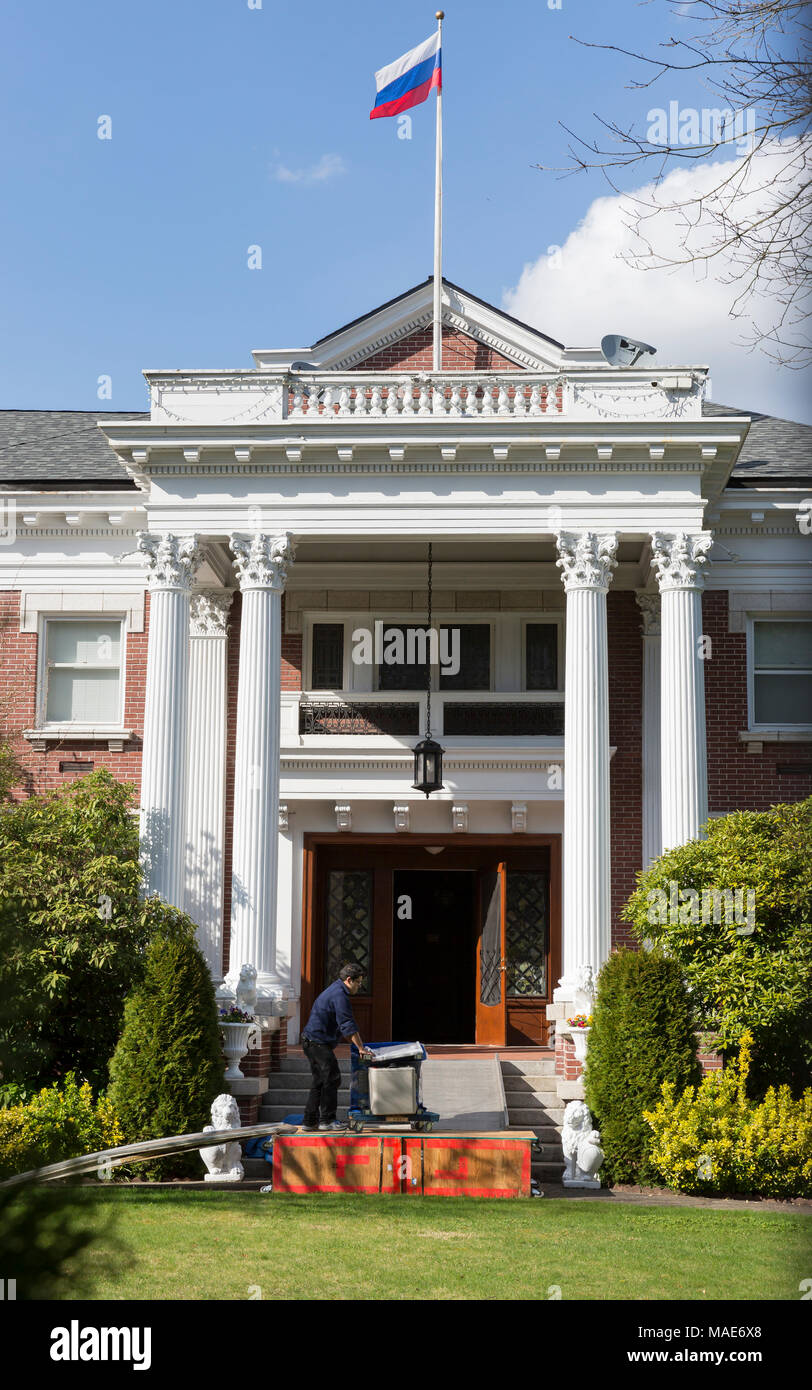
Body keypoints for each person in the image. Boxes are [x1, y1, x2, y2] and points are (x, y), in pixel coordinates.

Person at [300, 963, 373, 1131]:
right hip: (317, 1043)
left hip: (311, 1041)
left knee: (319, 1081)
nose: (360, 986)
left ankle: (309, 1122)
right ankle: (327, 1121)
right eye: (358, 982)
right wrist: (361, 1049)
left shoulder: (335, 990)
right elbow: (347, 1024)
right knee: (332, 1078)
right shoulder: (339, 995)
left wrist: (356, 1046)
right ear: (349, 980)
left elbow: (344, 1027)